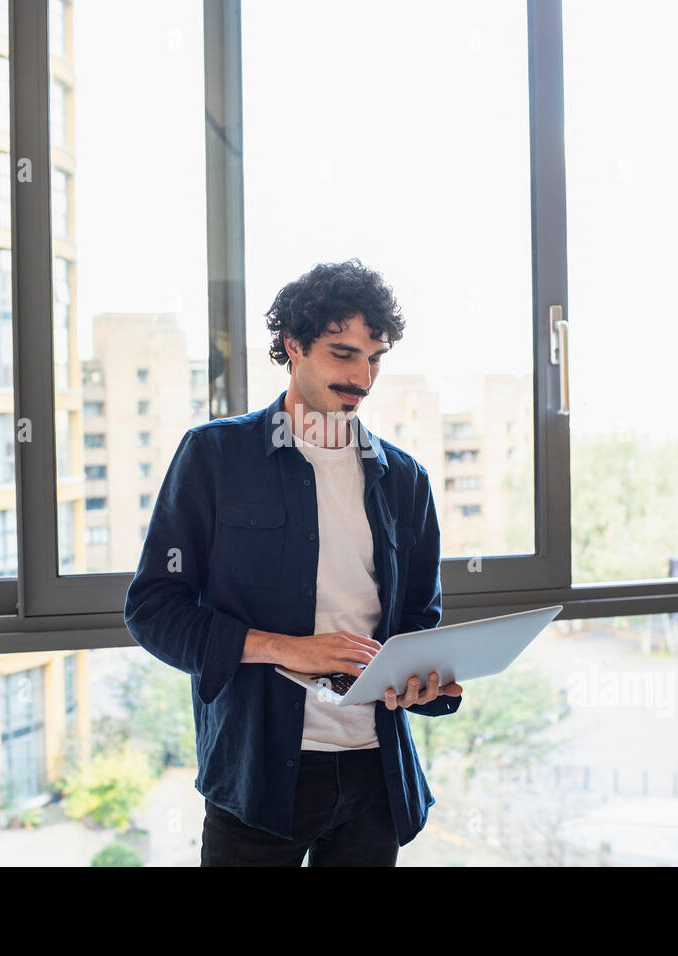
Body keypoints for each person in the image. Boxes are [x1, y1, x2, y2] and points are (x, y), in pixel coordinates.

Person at [123, 258, 462, 866]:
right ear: (293, 346)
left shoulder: (406, 480)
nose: (362, 375)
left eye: (375, 357)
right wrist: (287, 647)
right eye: (343, 352)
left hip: (374, 779)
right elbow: (154, 612)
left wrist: (423, 681)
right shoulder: (215, 456)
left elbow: (418, 622)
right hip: (258, 777)